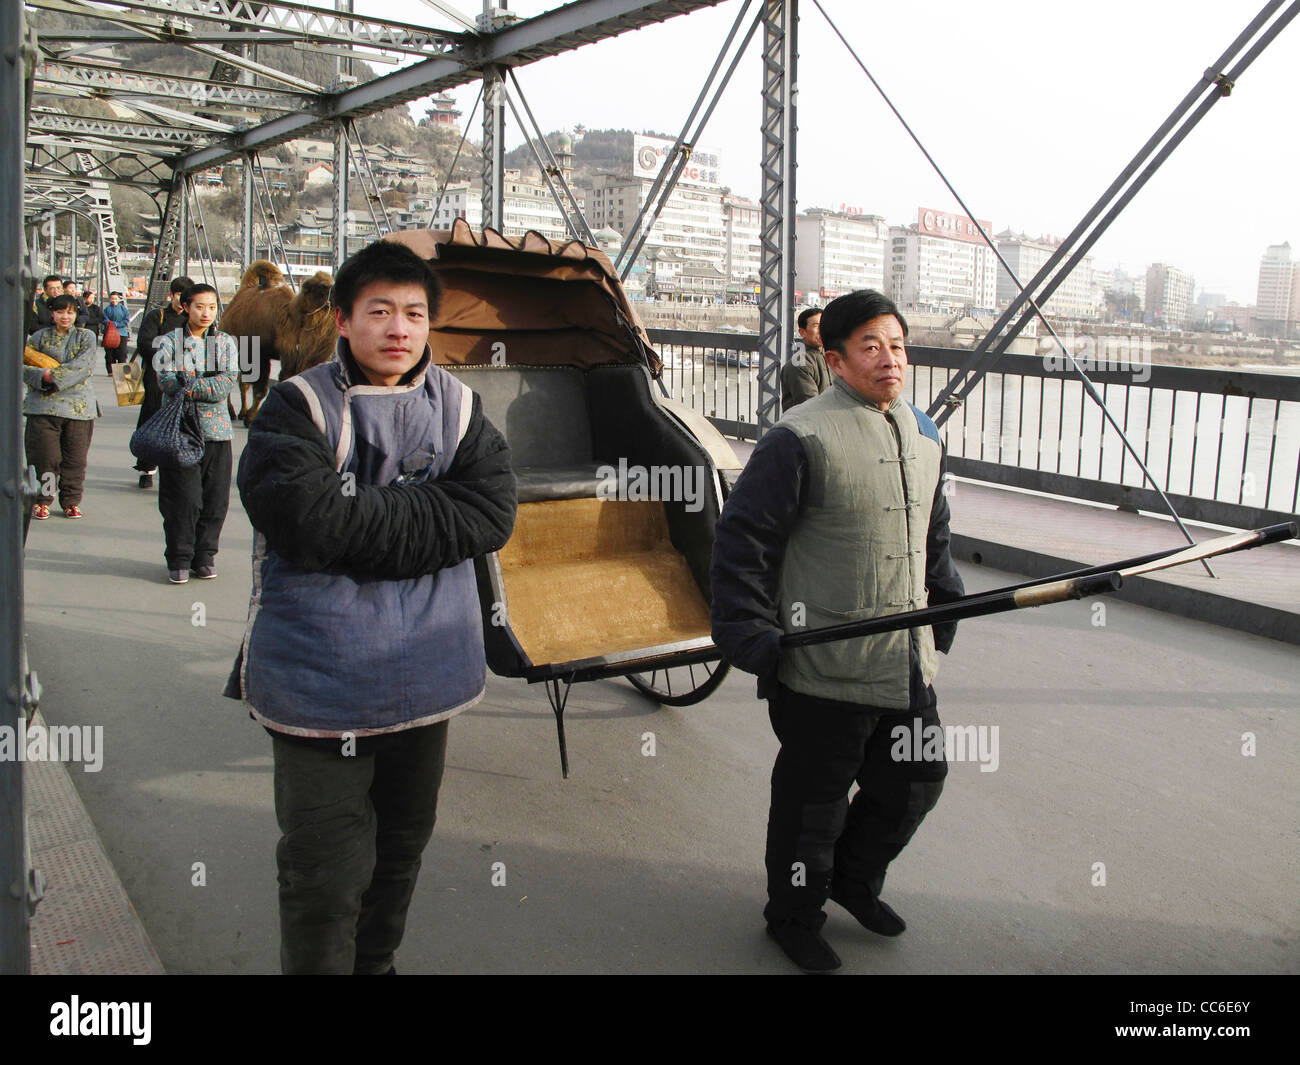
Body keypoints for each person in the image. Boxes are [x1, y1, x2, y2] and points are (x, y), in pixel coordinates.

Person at [224, 239, 516, 975]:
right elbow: (308, 523)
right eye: (379, 310)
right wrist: (427, 513)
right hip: (319, 680)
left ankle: (376, 964)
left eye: (415, 313)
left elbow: (489, 513)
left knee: (400, 851)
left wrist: (365, 518)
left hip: (427, 677)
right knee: (324, 867)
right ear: (344, 320)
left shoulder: (458, 406)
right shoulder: (297, 408)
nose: (398, 328)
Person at [710, 288, 965, 973]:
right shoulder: (799, 436)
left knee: (917, 778)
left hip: (905, 657)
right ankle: (793, 916)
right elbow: (744, 542)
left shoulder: (923, 431)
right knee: (810, 809)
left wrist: (945, 602)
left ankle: (854, 879)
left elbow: (931, 531)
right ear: (835, 358)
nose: (891, 360)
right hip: (822, 664)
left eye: (899, 345)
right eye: (872, 346)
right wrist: (748, 630)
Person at [152, 283, 239, 584]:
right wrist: (195, 386)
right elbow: (165, 381)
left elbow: (225, 384)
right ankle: (178, 557)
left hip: (217, 434)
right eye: (200, 306)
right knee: (182, 499)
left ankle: (204, 556)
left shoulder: (225, 342)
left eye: (212, 307)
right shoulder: (170, 342)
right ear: (186, 306)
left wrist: (189, 385)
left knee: (215, 500)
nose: (206, 313)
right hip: (180, 433)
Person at [23, 293, 98, 520]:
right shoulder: (37, 339)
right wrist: (41, 375)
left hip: (79, 408)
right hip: (43, 408)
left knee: (75, 460)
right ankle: (43, 499)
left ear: (76, 314)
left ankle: (71, 501)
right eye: (60, 312)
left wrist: (51, 376)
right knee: (44, 458)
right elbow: (22, 367)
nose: (65, 317)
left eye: (70, 312)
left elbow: (83, 367)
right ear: (52, 314)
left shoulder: (86, 337)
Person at [132, 276, 193, 488]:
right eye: (179, 295)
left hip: (185, 378)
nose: (182, 300)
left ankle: (178, 468)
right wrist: (170, 355)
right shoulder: (156, 316)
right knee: (152, 419)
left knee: (182, 423)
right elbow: (144, 344)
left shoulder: (193, 320)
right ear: (172, 295)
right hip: (156, 377)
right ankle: (147, 467)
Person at [781, 307, 832, 410]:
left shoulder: (833, 357)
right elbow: (811, 406)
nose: (822, 330)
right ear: (802, 332)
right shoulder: (799, 364)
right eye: (816, 326)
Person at [26, 275, 64, 339]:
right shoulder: (36, 305)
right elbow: (32, 327)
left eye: (58, 288)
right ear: (45, 290)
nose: (56, 291)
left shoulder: (69, 303)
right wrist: (54, 330)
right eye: (52, 288)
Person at [101, 290, 131, 370]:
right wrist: (111, 324)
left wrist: (117, 324)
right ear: (110, 299)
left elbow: (126, 320)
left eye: (116, 299)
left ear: (119, 299)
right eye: (112, 299)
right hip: (109, 334)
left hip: (122, 334)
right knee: (110, 354)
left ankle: (121, 370)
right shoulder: (107, 309)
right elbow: (104, 320)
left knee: (122, 353)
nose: (114, 301)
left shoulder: (123, 309)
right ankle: (111, 370)